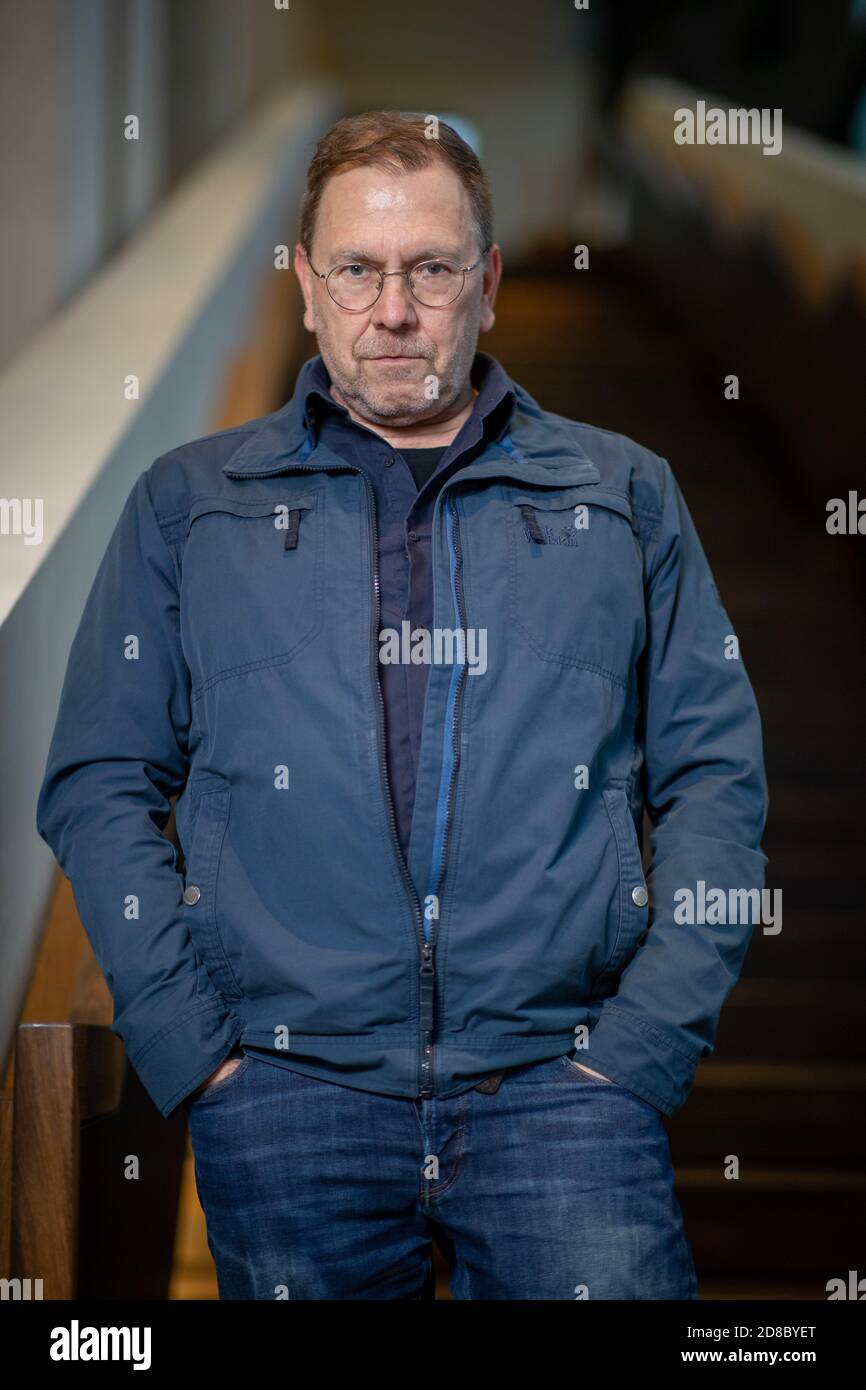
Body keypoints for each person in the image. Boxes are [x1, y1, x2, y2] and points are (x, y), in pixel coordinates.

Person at [36, 110, 768, 1300]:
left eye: (429, 269)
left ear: (484, 282)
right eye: (357, 271)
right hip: (285, 1094)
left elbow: (715, 781)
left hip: (561, 1091)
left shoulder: (623, 494)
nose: (393, 310)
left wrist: (642, 1046)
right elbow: (98, 778)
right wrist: (193, 1050)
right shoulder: (189, 507)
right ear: (307, 287)